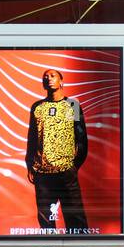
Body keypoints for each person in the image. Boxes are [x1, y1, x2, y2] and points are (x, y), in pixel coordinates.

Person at [24, 68, 90, 233]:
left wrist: (74, 166)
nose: (49, 79)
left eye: (53, 76)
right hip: (43, 171)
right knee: (46, 214)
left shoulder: (72, 105)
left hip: (66, 170)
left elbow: (81, 138)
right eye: (45, 77)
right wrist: (29, 164)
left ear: (62, 82)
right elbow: (32, 137)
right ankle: (49, 246)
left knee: (74, 211)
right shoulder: (37, 107)